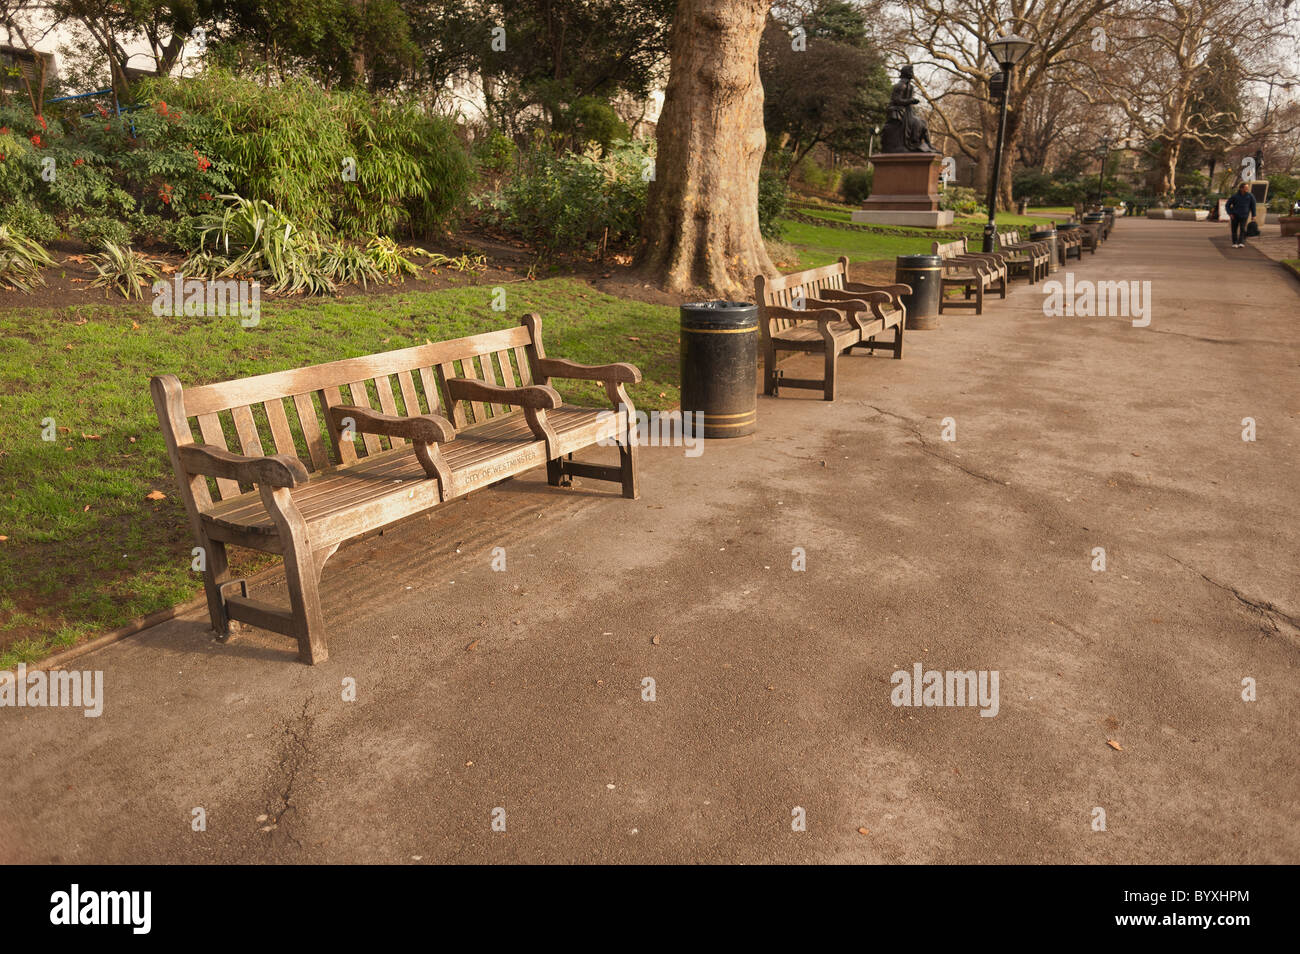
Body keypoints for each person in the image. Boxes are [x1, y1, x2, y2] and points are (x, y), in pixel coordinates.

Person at [1225, 182, 1256, 248]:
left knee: (1242, 229)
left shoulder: (1250, 196)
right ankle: (1235, 242)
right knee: (1234, 229)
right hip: (1234, 215)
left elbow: (1253, 206)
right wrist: (1230, 213)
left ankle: (1241, 242)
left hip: (1244, 215)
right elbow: (1227, 205)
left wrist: (1254, 215)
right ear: (1241, 188)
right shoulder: (1235, 196)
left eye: (1247, 187)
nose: (1247, 189)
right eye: (1246, 187)